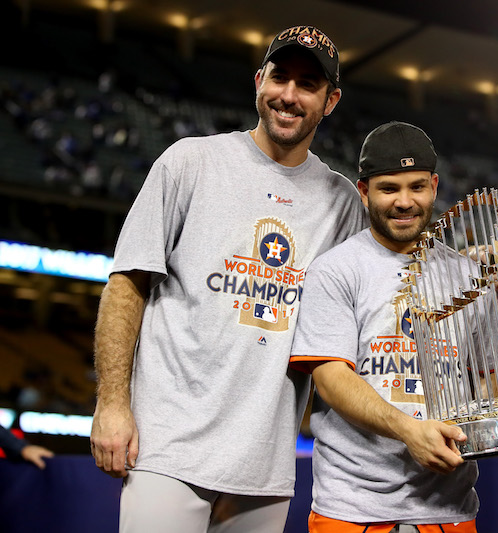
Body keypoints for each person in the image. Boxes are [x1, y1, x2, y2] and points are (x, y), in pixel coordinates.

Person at [89, 25, 368, 532]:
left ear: (331, 101)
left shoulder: (343, 202)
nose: (289, 95)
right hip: (167, 448)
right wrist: (111, 403)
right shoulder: (190, 162)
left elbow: (357, 319)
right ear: (258, 80)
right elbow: (126, 284)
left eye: (308, 84)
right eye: (280, 77)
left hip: (265, 466)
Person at [289, 122, 479, 533]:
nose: (405, 202)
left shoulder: (468, 276)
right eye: (389, 188)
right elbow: (332, 380)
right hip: (354, 508)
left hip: (448, 506)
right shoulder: (336, 270)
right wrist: (410, 431)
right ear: (364, 191)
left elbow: (490, 379)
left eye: (416, 187)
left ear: (434, 185)